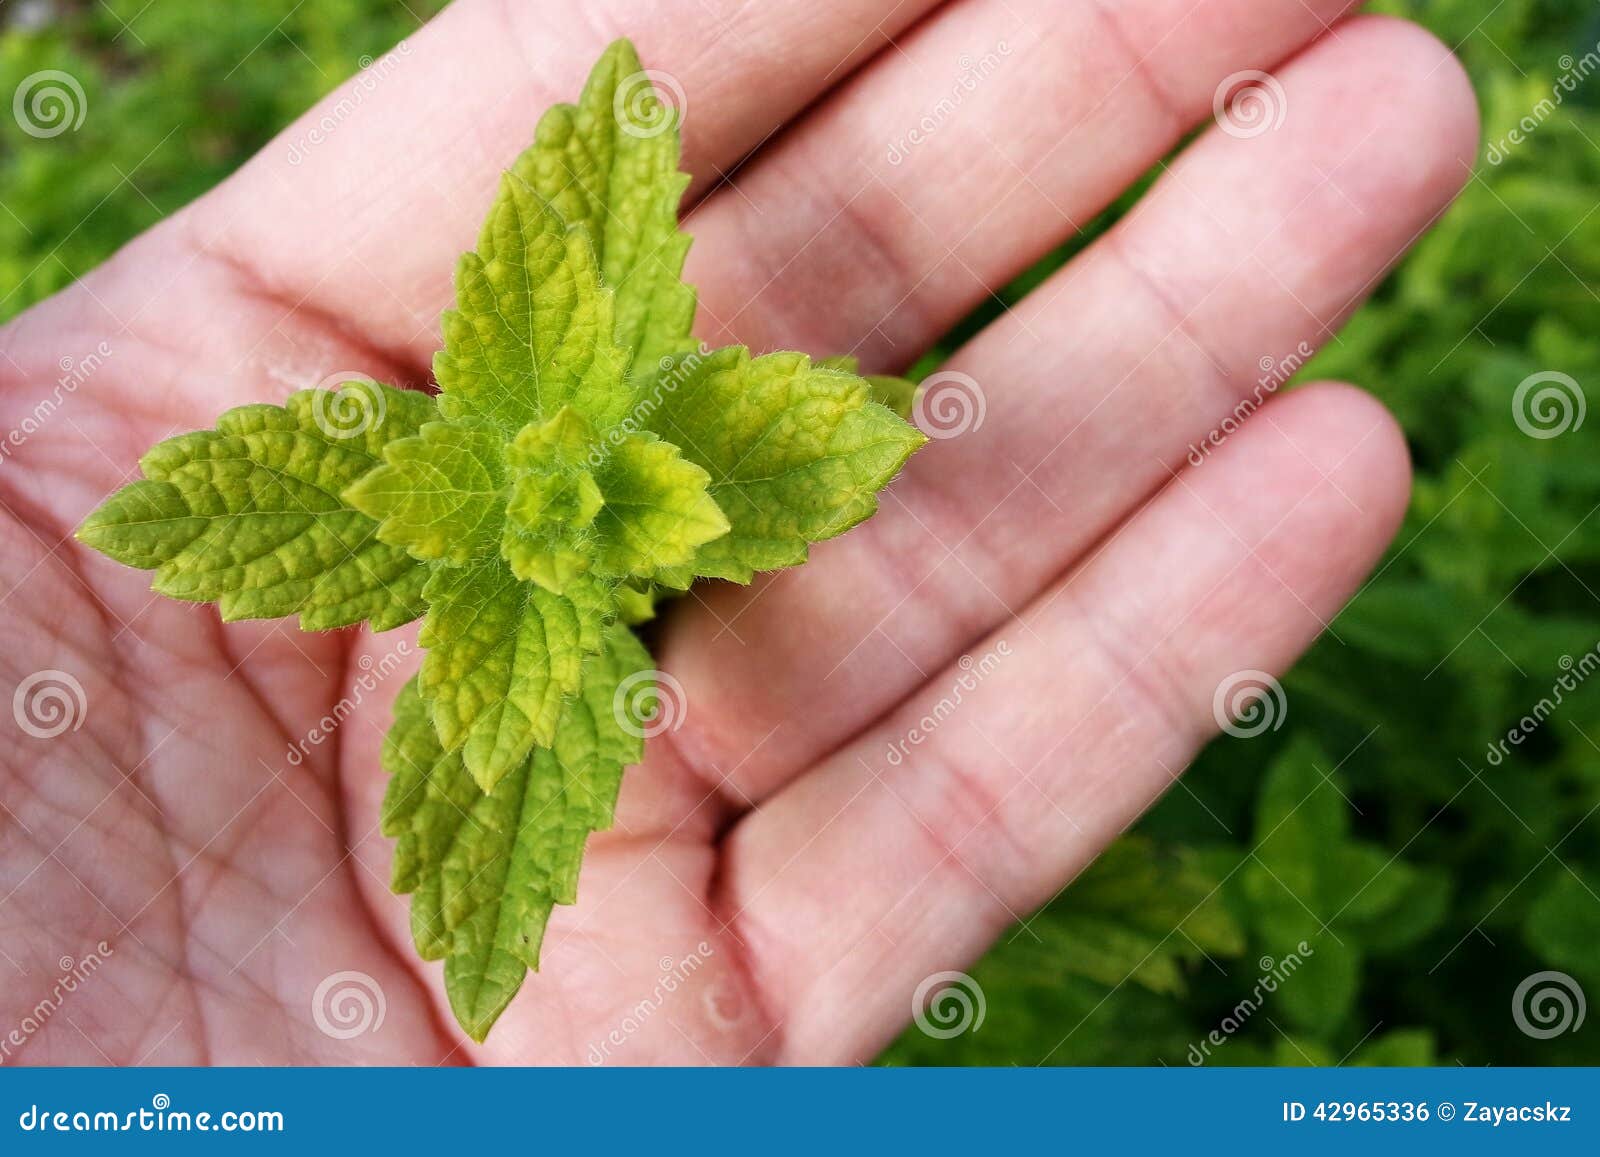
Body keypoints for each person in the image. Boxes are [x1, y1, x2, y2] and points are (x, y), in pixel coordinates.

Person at [0, 0, 1477, 1064]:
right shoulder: (475, 535)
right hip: (513, 538)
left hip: (589, 480)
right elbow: (225, 524)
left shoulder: (614, 453)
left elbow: (719, 382)